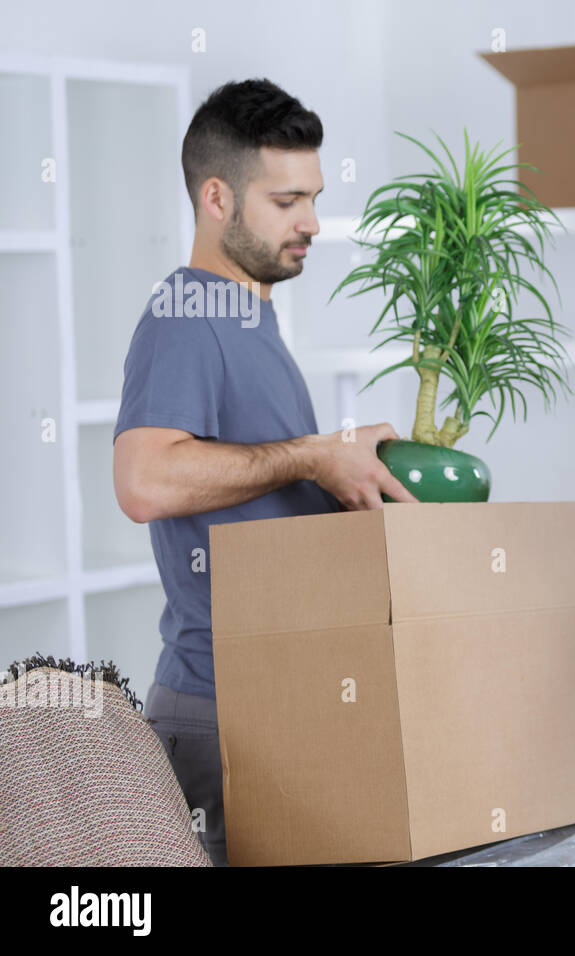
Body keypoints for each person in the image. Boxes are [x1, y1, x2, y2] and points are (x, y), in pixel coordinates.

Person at [112, 78, 418, 866]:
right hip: (219, 709)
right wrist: (315, 453)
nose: (311, 223)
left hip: (275, 696)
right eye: (287, 201)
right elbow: (144, 481)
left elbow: (251, 487)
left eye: (313, 198)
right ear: (217, 197)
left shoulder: (249, 316)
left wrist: (336, 463)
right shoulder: (185, 319)